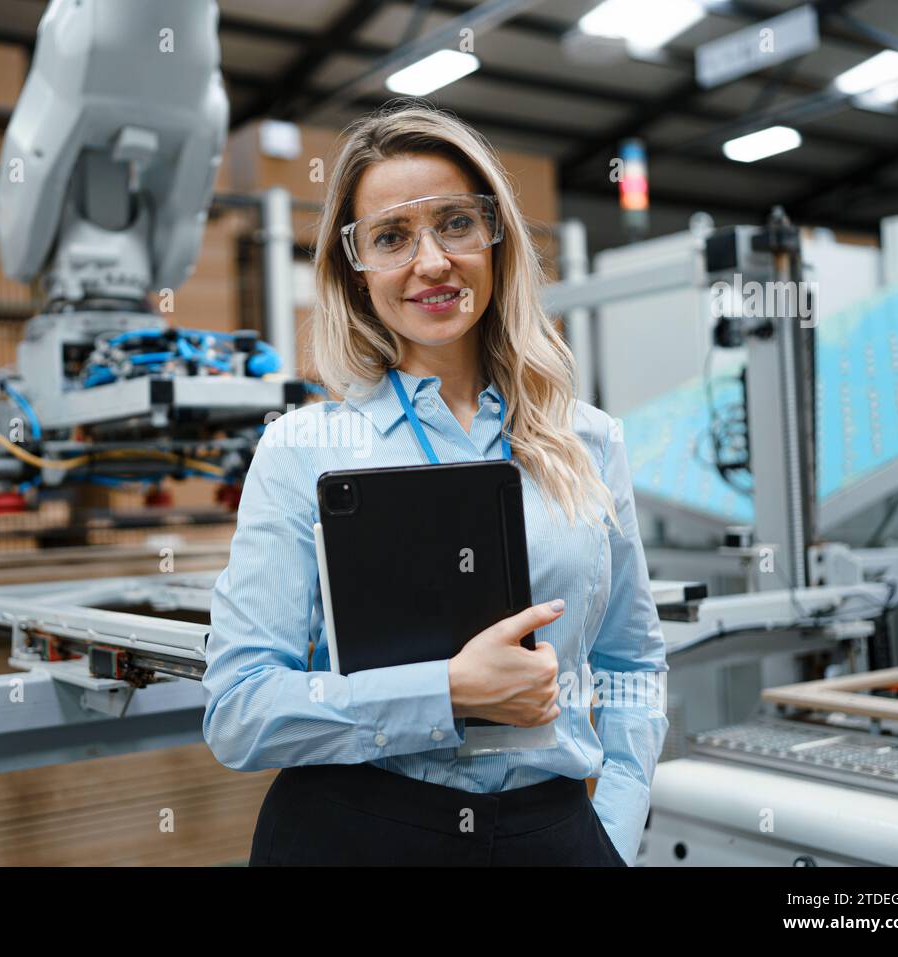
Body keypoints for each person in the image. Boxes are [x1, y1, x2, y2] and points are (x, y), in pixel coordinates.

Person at [202, 101, 668, 866]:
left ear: (496, 237)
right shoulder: (303, 450)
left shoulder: (590, 441)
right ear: (355, 274)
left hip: (549, 834)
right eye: (391, 237)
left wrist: (612, 824)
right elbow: (239, 707)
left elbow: (632, 662)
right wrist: (445, 691)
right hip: (355, 830)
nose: (431, 262)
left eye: (454, 222)